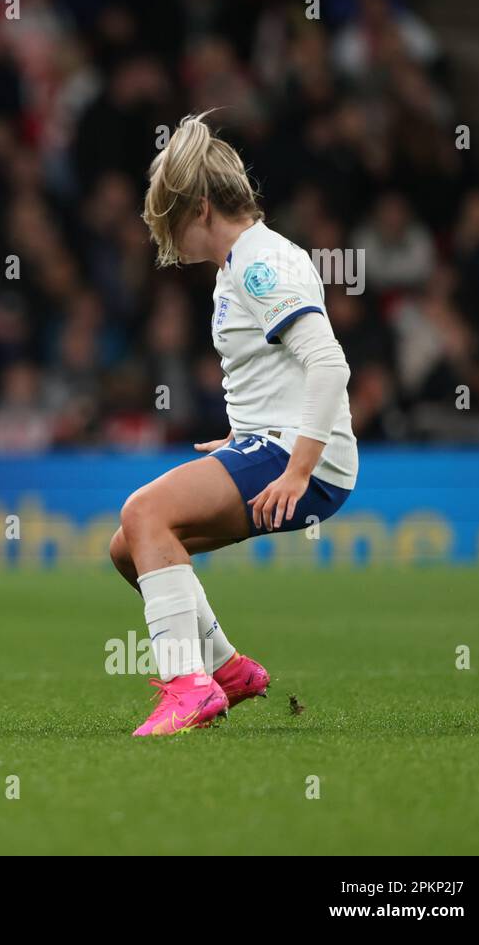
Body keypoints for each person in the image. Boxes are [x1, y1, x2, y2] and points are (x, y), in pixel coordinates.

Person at [110, 112, 358, 737]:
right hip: (269, 442)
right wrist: (243, 435)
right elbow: (280, 371)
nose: (168, 241)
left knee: (145, 514)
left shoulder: (260, 264)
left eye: (170, 222)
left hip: (304, 461)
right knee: (128, 548)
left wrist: (298, 468)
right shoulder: (238, 264)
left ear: (199, 207)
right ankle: (225, 670)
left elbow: (329, 364)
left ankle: (188, 687)